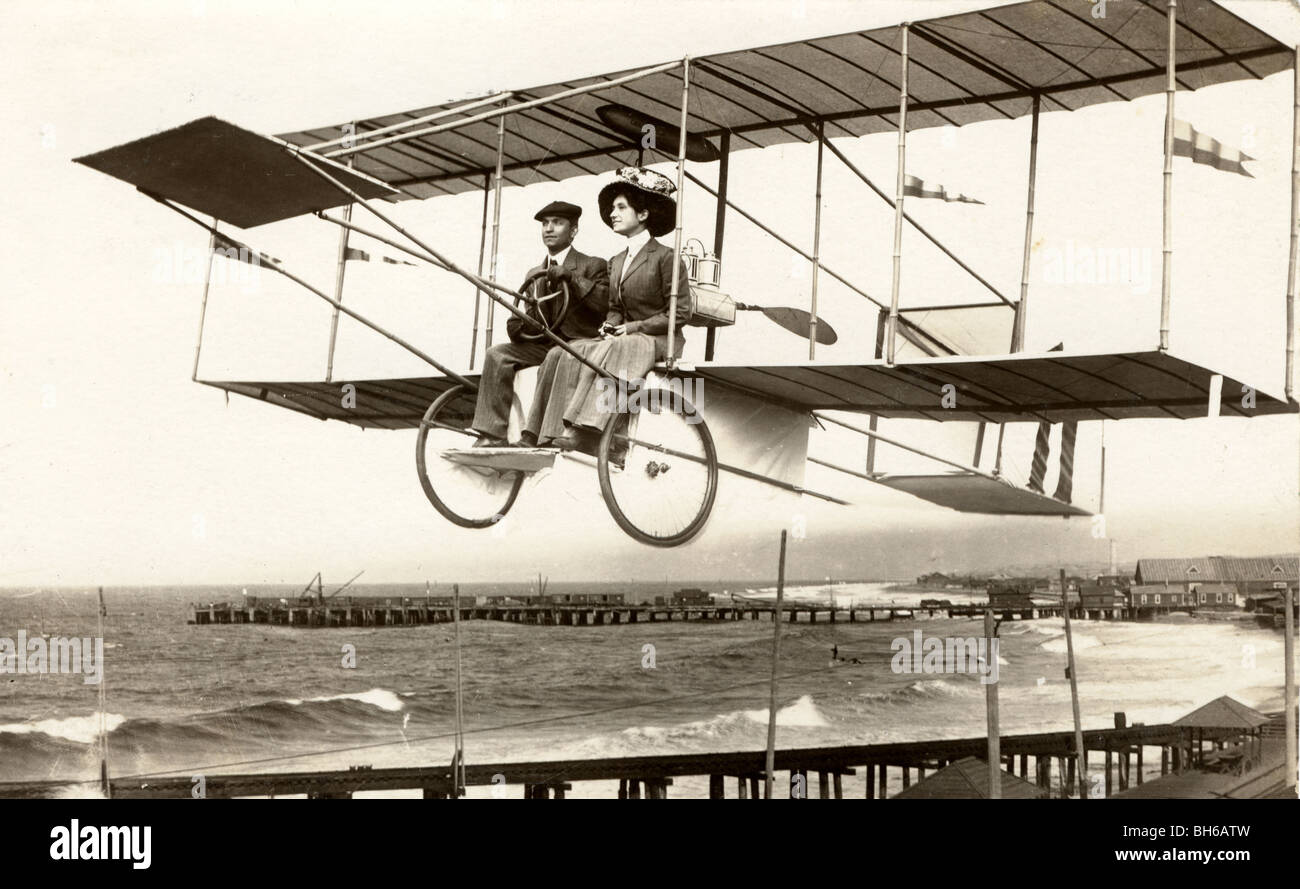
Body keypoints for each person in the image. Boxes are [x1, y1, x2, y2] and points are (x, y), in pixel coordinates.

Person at [522, 167, 692, 453]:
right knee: (563, 351)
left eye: (621, 207)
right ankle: (541, 432)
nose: (613, 213)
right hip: (625, 339)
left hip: (659, 339)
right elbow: (614, 308)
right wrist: (610, 325)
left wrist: (632, 327)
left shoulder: (666, 257)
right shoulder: (616, 260)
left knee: (612, 348)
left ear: (643, 215)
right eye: (613, 207)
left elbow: (680, 312)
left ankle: (588, 428)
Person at [467, 201, 609, 447]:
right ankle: (491, 433)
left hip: (579, 346)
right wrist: (517, 326)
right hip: (544, 346)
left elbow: (603, 305)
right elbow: (531, 316)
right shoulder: (535, 273)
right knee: (497, 354)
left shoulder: (593, 265)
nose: (549, 229)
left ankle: (537, 435)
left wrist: (572, 278)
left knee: (556, 354)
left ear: (573, 231)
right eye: (545, 224)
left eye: (557, 223)